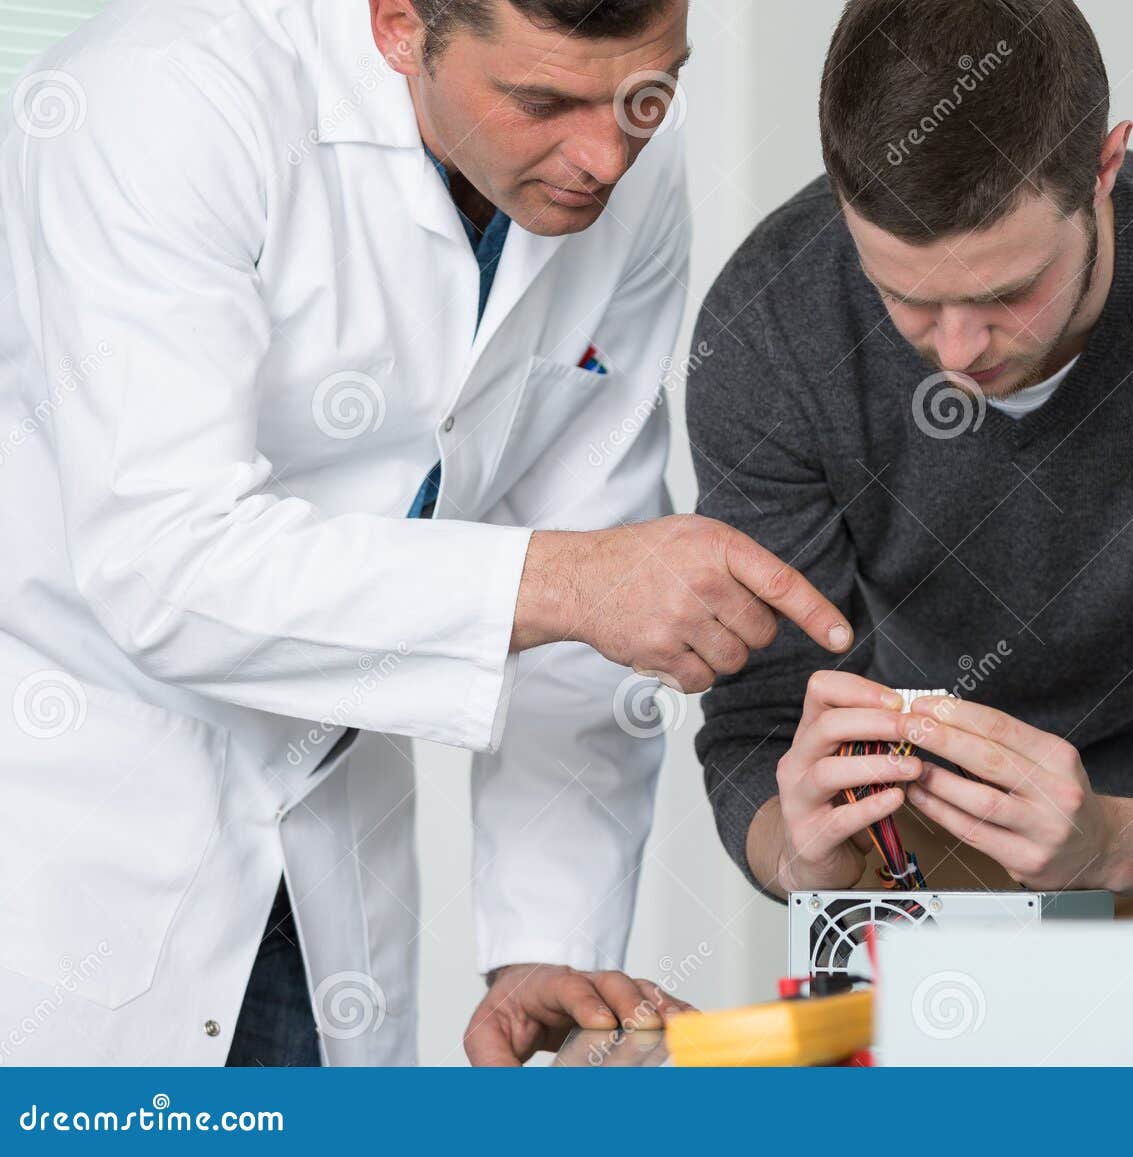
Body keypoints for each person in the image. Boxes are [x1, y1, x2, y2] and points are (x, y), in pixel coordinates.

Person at [0, 0, 853, 1066]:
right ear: (399, 23)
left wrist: (544, 944)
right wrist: (568, 581)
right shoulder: (165, 98)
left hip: (327, 875)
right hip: (75, 856)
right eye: (539, 100)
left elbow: (596, 595)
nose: (602, 156)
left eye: (648, 91)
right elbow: (166, 563)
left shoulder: (623, 148)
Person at [688, 0, 1133, 914]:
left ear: (1104, 169)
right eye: (907, 297)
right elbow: (755, 728)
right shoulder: (770, 325)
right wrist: (797, 858)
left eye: (1008, 291)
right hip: (937, 883)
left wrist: (1112, 844)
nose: (958, 350)